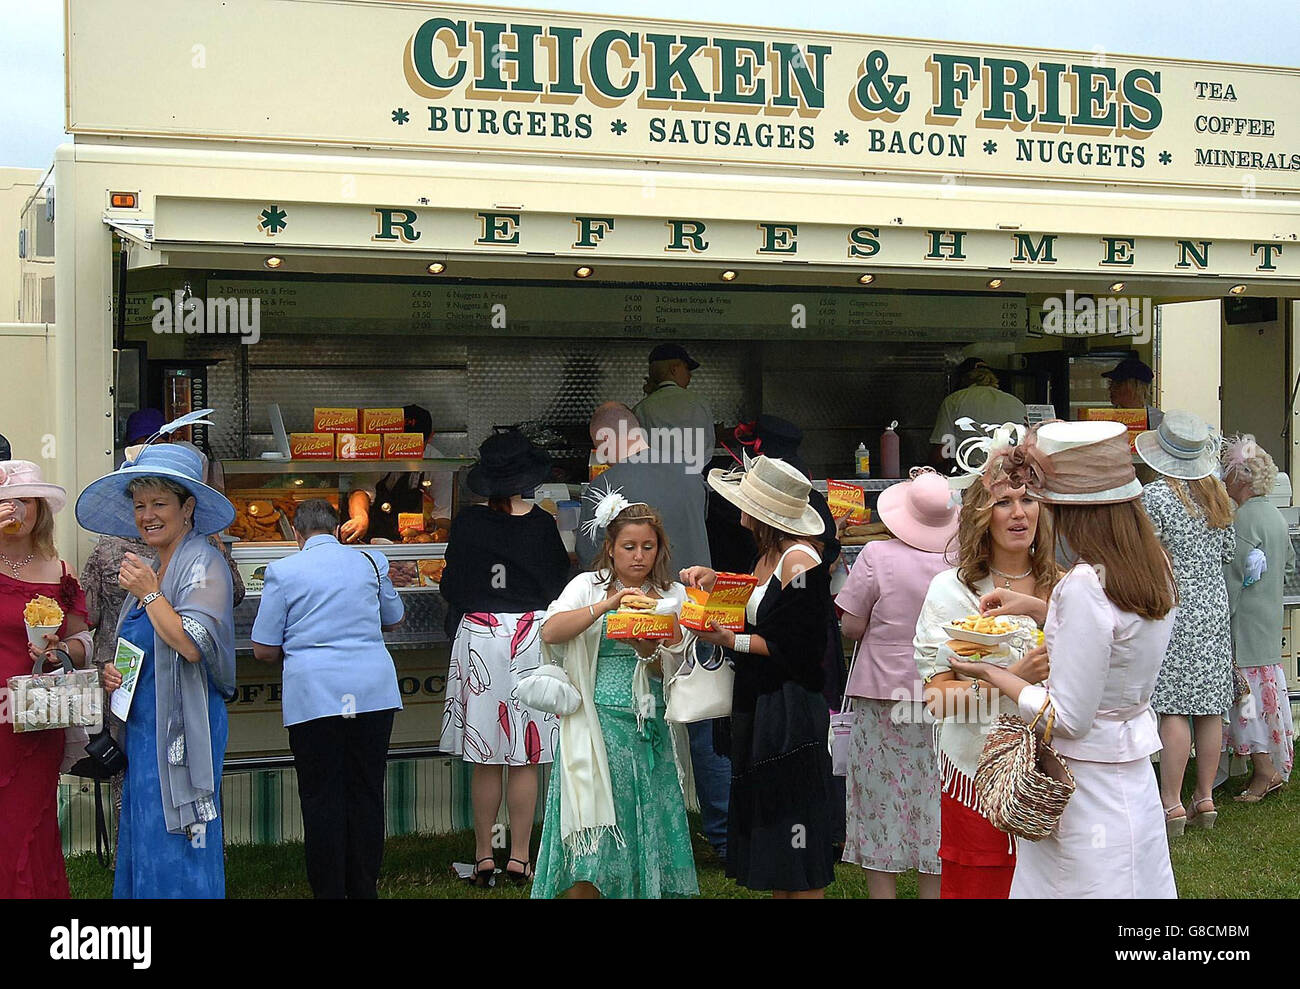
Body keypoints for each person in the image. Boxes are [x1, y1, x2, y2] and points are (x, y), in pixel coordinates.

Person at [947, 419, 1178, 899]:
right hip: (1133, 778)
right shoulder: (1152, 565)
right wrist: (1037, 608)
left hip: (1081, 785)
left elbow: (1067, 718)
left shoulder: (1083, 586)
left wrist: (993, 673)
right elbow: (1118, 637)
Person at [79, 441, 237, 899]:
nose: (147, 514)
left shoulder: (203, 562)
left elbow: (192, 645)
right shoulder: (152, 565)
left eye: (159, 504)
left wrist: (150, 594)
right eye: (139, 504)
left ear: (188, 507)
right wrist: (115, 673)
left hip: (184, 730)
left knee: (181, 836)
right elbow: (141, 644)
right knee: (148, 834)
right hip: (146, 728)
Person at [685, 455, 837, 898]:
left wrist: (730, 641)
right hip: (762, 705)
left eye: (744, 502)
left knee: (797, 844)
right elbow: (761, 607)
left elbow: (799, 651)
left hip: (791, 714)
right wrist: (716, 583)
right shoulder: (767, 553)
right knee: (775, 849)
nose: (737, 509)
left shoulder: (800, 563)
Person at [914, 423, 1056, 899]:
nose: (1019, 513)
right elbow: (937, 700)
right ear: (981, 513)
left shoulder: (1066, 585)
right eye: (1003, 502)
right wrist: (1010, 678)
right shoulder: (952, 592)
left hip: (1057, 774)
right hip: (977, 778)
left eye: (1028, 499)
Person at [532, 497, 699, 899]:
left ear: (659, 549)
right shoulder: (586, 586)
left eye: (648, 547)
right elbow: (551, 631)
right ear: (610, 547)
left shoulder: (671, 593)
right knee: (597, 824)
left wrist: (649, 648)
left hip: (650, 721)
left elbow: (679, 667)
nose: (639, 556)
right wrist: (609, 604)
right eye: (629, 547)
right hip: (598, 722)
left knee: (649, 818)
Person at [250, 499, 404, 898]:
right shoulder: (371, 562)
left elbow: (264, 648)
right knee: (367, 791)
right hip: (371, 692)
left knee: (321, 796)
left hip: (315, 695)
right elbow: (395, 616)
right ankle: (364, 886)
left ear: (297, 535)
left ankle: (330, 889)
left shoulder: (283, 571)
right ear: (338, 529)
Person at [438, 431, 571, 884]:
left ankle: (482, 857)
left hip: (479, 637)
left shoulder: (467, 523)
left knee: (486, 756)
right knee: (525, 755)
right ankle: (519, 857)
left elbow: (451, 587)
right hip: (530, 638)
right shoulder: (542, 523)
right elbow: (559, 587)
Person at [836, 467, 958, 899]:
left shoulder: (875, 555)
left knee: (877, 798)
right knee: (937, 796)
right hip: (945, 691)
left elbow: (851, 626)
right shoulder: (961, 557)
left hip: (881, 690)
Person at [1137, 411, 1235, 834]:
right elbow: (1227, 551)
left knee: (1174, 708)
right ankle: (1206, 797)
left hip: (1174, 606)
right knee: (1211, 707)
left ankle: (1171, 802)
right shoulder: (1219, 495)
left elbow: (1143, 553)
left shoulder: (1155, 497)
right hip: (1214, 607)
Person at [0, 461, 92, 899]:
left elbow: (82, 642)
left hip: (36, 713)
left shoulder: (60, 570)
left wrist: (60, 651)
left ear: (40, 509)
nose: (14, 509)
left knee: (29, 821)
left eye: (24, 501)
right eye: (4, 502)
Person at [1218, 435, 1293, 800]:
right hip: (1266, 623)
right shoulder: (1274, 516)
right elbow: (1290, 562)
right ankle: (1265, 767)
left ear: (1241, 479)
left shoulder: (1244, 519)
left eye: (1228, 472)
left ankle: (1263, 771)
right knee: (1265, 701)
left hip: (1243, 628)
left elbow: (1231, 582)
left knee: (1246, 704)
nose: (1223, 479)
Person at [342, 404, 453, 542]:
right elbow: (361, 490)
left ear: (430, 437)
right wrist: (360, 517)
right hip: (373, 537)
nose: (407, 447)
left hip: (411, 542)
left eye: (415, 442)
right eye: (401, 440)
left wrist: (432, 533)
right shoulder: (377, 454)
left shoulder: (438, 464)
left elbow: (444, 515)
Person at [929, 359, 1027, 469]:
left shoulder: (954, 400)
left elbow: (943, 450)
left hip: (969, 472)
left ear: (963, 378)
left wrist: (932, 471)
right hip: (1009, 472)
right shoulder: (1016, 402)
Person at [631, 342, 716, 447]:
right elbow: (707, 446)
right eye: (686, 368)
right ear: (674, 369)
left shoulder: (640, 409)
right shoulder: (698, 403)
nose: (690, 375)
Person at [1103, 356, 1163, 429]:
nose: (1111, 388)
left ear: (1137, 387)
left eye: (1118, 384)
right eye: (1110, 383)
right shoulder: (1105, 419)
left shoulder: (1159, 422)